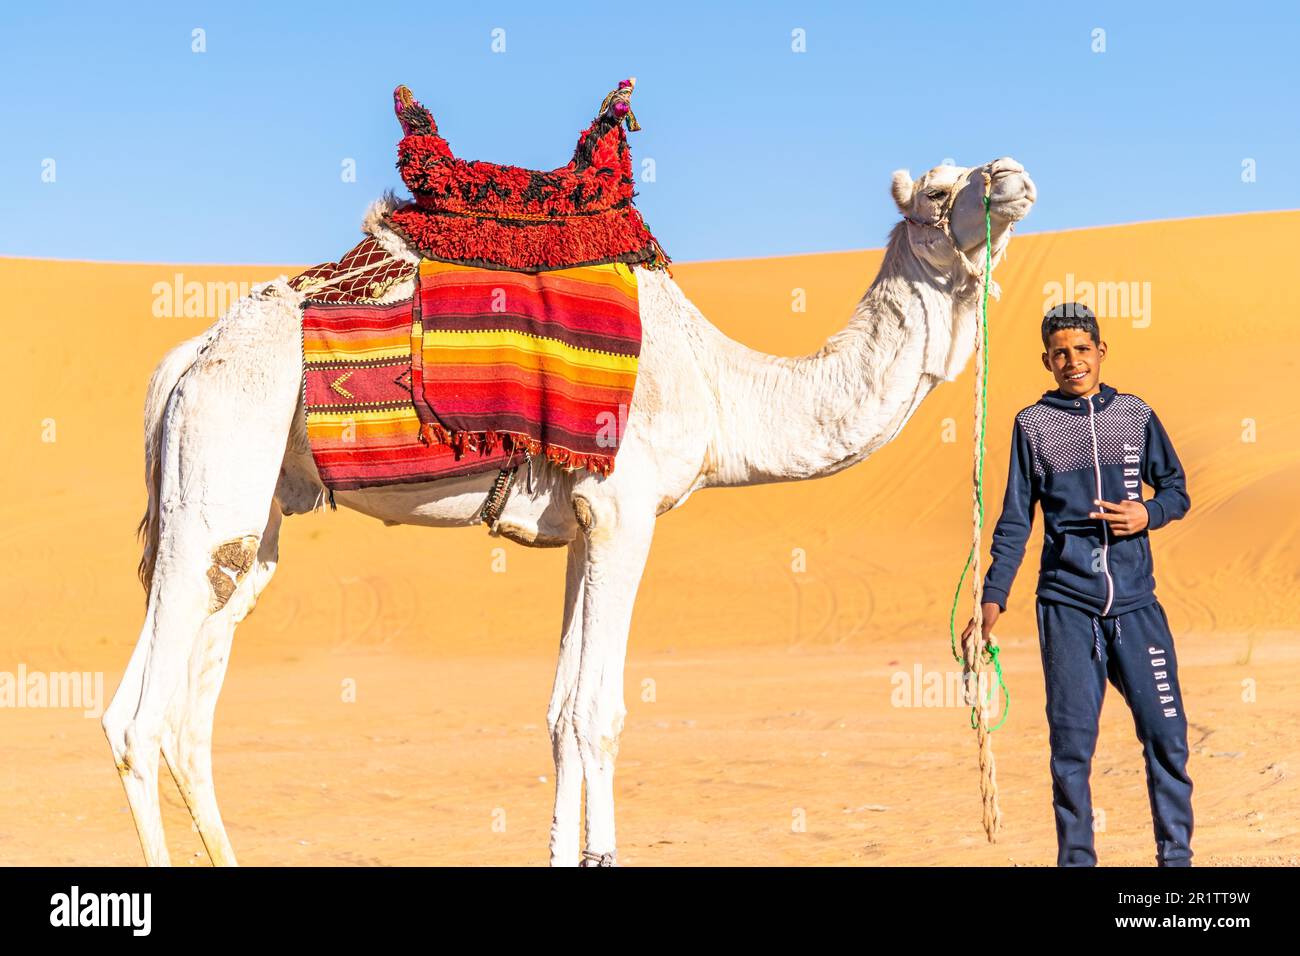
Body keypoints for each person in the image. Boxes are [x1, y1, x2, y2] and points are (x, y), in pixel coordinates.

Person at [962, 302, 1194, 866]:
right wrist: (993, 597)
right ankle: (1077, 860)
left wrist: (1148, 514)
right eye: (1061, 353)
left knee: (1166, 739)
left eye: (1083, 350)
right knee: (1071, 751)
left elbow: (1177, 489)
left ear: (1101, 352)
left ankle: (1177, 861)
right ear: (1047, 360)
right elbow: (1017, 518)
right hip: (1066, 606)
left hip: (1137, 604)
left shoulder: (1136, 414)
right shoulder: (1033, 426)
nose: (1073, 361)